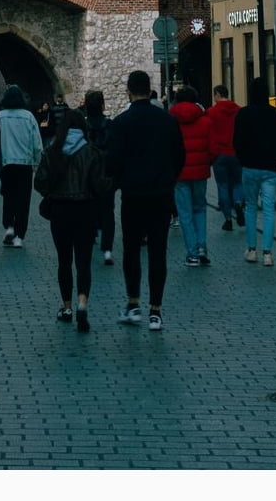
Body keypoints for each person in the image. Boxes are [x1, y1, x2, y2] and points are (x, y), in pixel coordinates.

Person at [103, 70, 184, 330]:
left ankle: (133, 302)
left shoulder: (120, 123)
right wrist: (168, 179)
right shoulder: (167, 121)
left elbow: (112, 163)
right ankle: (156, 311)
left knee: (131, 249)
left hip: (133, 195)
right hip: (161, 194)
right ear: (149, 91)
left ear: (128, 91)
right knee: (158, 252)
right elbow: (179, 156)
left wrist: (120, 179)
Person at [35, 105, 107, 332]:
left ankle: (66, 307)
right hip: (85, 209)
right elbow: (100, 185)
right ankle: (82, 303)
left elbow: (40, 182)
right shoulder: (92, 152)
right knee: (83, 261)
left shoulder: (52, 151)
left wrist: (51, 192)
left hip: (60, 210)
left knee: (64, 260)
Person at [0, 85, 43, 247]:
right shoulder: (29, 117)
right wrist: (38, 162)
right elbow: (37, 143)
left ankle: (9, 225)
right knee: (23, 200)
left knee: (8, 196)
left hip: (6, 164)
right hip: (24, 164)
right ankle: (19, 236)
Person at [234, 89, 276, 266]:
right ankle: (267, 253)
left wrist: (242, 159)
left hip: (249, 166)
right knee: (268, 209)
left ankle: (251, 250)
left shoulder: (243, 113)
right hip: (271, 168)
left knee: (250, 207)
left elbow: (237, 140)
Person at [171, 84, 214, 267]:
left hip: (180, 173)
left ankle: (192, 253)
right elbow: (213, 148)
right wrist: (207, 162)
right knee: (200, 209)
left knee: (185, 213)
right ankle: (202, 246)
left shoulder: (171, 120)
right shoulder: (205, 121)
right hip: (200, 172)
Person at [79, 90, 117, 264]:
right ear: (103, 105)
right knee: (108, 211)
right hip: (106, 173)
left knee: (88, 209)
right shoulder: (110, 125)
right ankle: (107, 249)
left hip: (88, 174)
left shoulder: (83, 127)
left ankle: (90, 237)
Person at [205, 83, 244, 229]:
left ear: (217, 95)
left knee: (222, 185)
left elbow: (208, 132)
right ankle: (238, 202)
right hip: (235, 152)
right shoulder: (238, 110)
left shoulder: (211, 112)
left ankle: (228, 218)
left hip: (219, 154)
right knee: (237, 183)